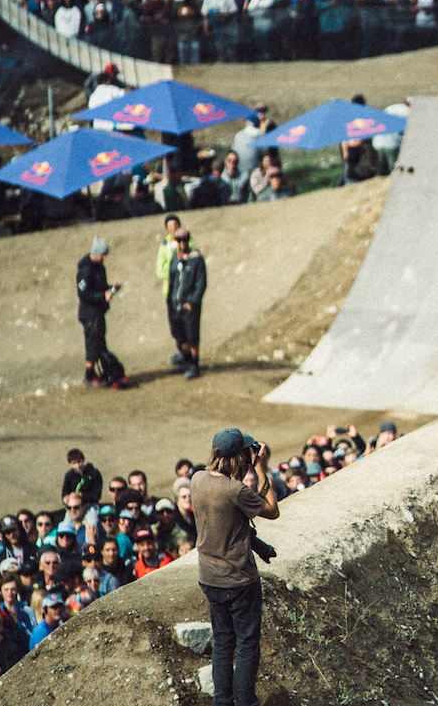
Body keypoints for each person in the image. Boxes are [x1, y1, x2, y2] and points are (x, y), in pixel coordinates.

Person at [192, 428, 279, 706]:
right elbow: (272, 509)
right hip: (239, 580)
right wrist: (261, 468)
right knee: (248, 643)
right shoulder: (235, 490)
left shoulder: (197, 479)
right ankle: (245, 702)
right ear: (237, 456)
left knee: (223, 643)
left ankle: (223, 701)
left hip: (209, 577)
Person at [76, 238, 129, 389]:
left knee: (100, 343)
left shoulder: (100, 268)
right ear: (96, 254)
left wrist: (111, 289)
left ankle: (103, 372)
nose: (105, 258)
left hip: (98, 312)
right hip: (89, 313)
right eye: (103, 255)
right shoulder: (86, 270)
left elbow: (100, 287)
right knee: (92, 343)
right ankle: (89, 375)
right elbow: (84, 294)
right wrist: (102, 296)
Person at [167, 228, 207, 380]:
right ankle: (186, 361)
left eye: (184, 240)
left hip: (189, 305)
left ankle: (195, 365)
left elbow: (201, 283)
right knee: (180, 335)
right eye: (179, 240)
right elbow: (172, 280)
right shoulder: (175, 258)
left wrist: (193, 301)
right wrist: (171, 300)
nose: (182, 243)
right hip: (176, 304)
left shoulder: (196, 259)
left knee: (192, 335)